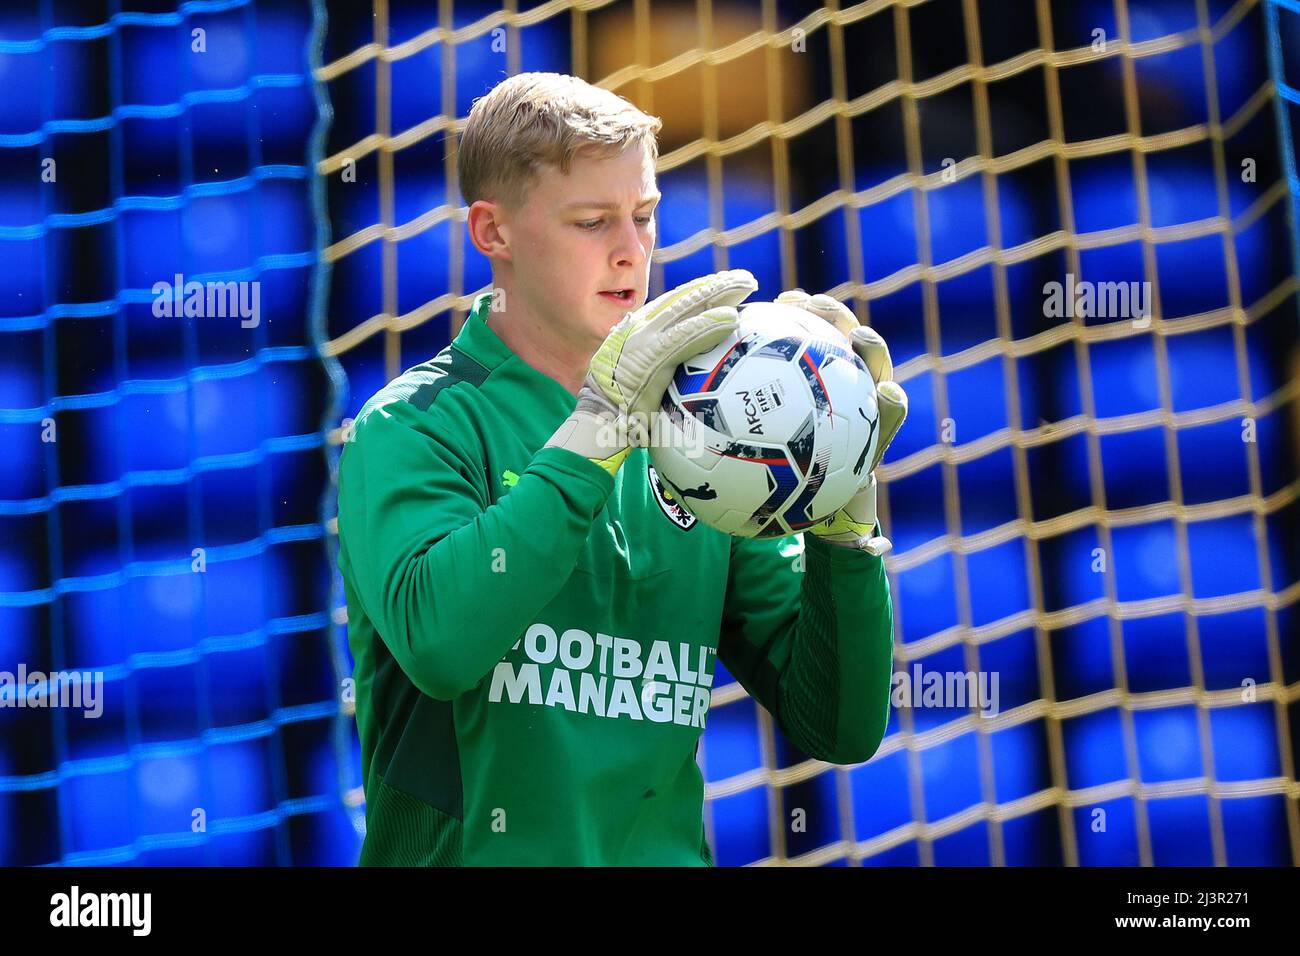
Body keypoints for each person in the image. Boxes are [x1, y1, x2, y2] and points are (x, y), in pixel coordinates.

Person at [336, 72, 908, 866]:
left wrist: (843, 524)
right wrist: (598, 430)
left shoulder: (706, 434)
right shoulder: (413, 426)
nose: (631, 252)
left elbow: (839, 728)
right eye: (592, 221)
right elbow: (441, 645)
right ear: (491, 232)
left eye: (644, 217)